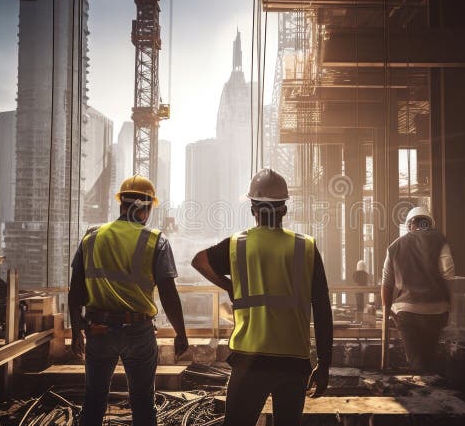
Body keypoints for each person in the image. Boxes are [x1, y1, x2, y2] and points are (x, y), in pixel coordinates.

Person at [191, 168, 333, 426]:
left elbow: (199, 261)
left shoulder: (238, 244)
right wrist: (324, 364)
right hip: (294, 361)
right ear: (284, 210)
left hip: (250, 359)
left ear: (253, 209)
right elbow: (323, 309)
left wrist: (229, 286)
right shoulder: (306, 247)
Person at [68, 175, 189, 426]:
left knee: (93, 401)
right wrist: (181, 332)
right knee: (143, 403)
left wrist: (76, 329)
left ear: (121, 204)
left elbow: (76, 289)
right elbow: (168, 294)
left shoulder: (92, 237)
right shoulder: (155, 240)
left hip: (98, 329)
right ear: (147, 209)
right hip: (138, 331)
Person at [381, 206, 454, 372]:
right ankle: (428, 378)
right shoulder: (440, 240)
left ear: (409, 225)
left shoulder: (394, 246)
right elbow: (448, 273)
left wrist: (387, 312)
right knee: (429, 357)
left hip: (406, 311)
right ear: (429, 223)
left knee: (416, 360)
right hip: (436, 309)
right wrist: (451, 305)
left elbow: (387, 282)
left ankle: (420, 376)